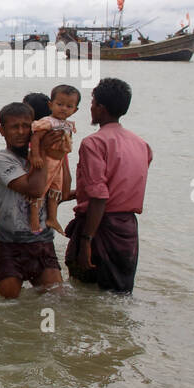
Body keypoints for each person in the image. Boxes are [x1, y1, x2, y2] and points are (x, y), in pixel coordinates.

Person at [64, 77, 152, 293]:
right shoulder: (141, 144)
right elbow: (118, 185)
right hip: (127, 229)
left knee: (84, 295)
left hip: (99, 226)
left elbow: (100, 195)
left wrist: (86, 241)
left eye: (93, 103)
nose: (91, 107)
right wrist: (71, 194)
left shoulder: (93, 143)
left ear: (101, 108)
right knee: (118, 294)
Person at [0, 102, 64, 298]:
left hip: (43, 242)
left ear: (34, 127)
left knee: (57, 301)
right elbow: (35, 190)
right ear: (1, 130)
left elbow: (64, 188)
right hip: (11, 245)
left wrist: (60, 154)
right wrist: (43, 153)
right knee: (9, 306)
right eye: (14, 127)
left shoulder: (40, 159)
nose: (21, 131)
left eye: (26, 126)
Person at [27, 84, 79, 235]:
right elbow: (35, 138)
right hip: (48, 162)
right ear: (51, 105)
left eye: (69, 106)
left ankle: (52, 218)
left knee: (54, 189)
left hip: (59, 162)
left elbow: (64, 191)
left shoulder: (67, 125)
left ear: (75, 110)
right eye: (60, 104)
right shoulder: (47, 123)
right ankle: (35, 220)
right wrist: (36, 155)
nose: (64, 108)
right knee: (41, 190)